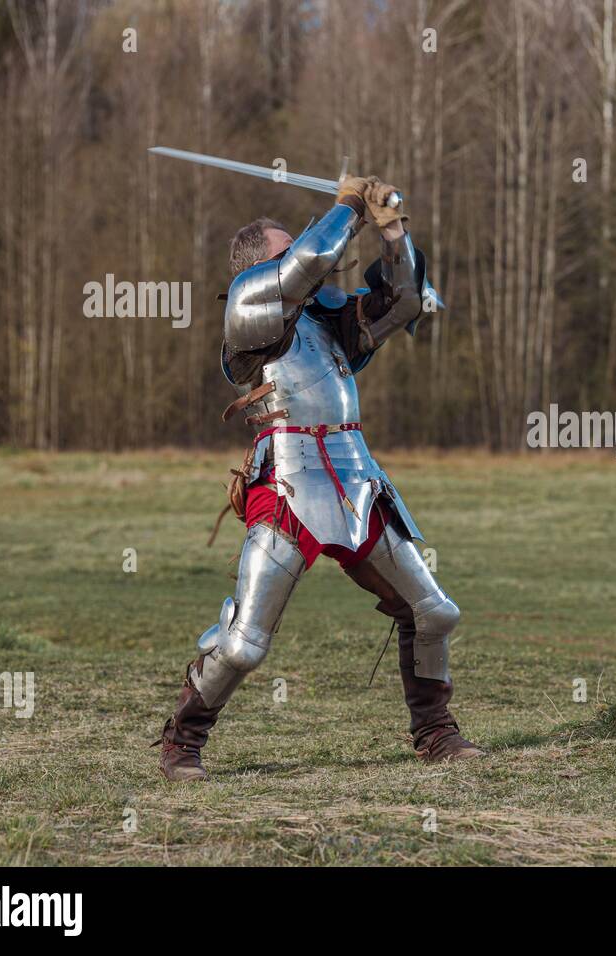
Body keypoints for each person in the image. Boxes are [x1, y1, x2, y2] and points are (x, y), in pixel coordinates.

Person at [153, 175, 481, 781]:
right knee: (246, 644)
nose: (306, 259)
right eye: (286, 251)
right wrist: (347, 207)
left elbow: (407, 301)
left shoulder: (324, 324)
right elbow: (308, 262)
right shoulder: (249, 314)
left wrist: (391, 230)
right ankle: (182, 743)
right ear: (259, 269)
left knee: (434, 612)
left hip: (357, 480)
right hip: (287, 486)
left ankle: (435, 734)